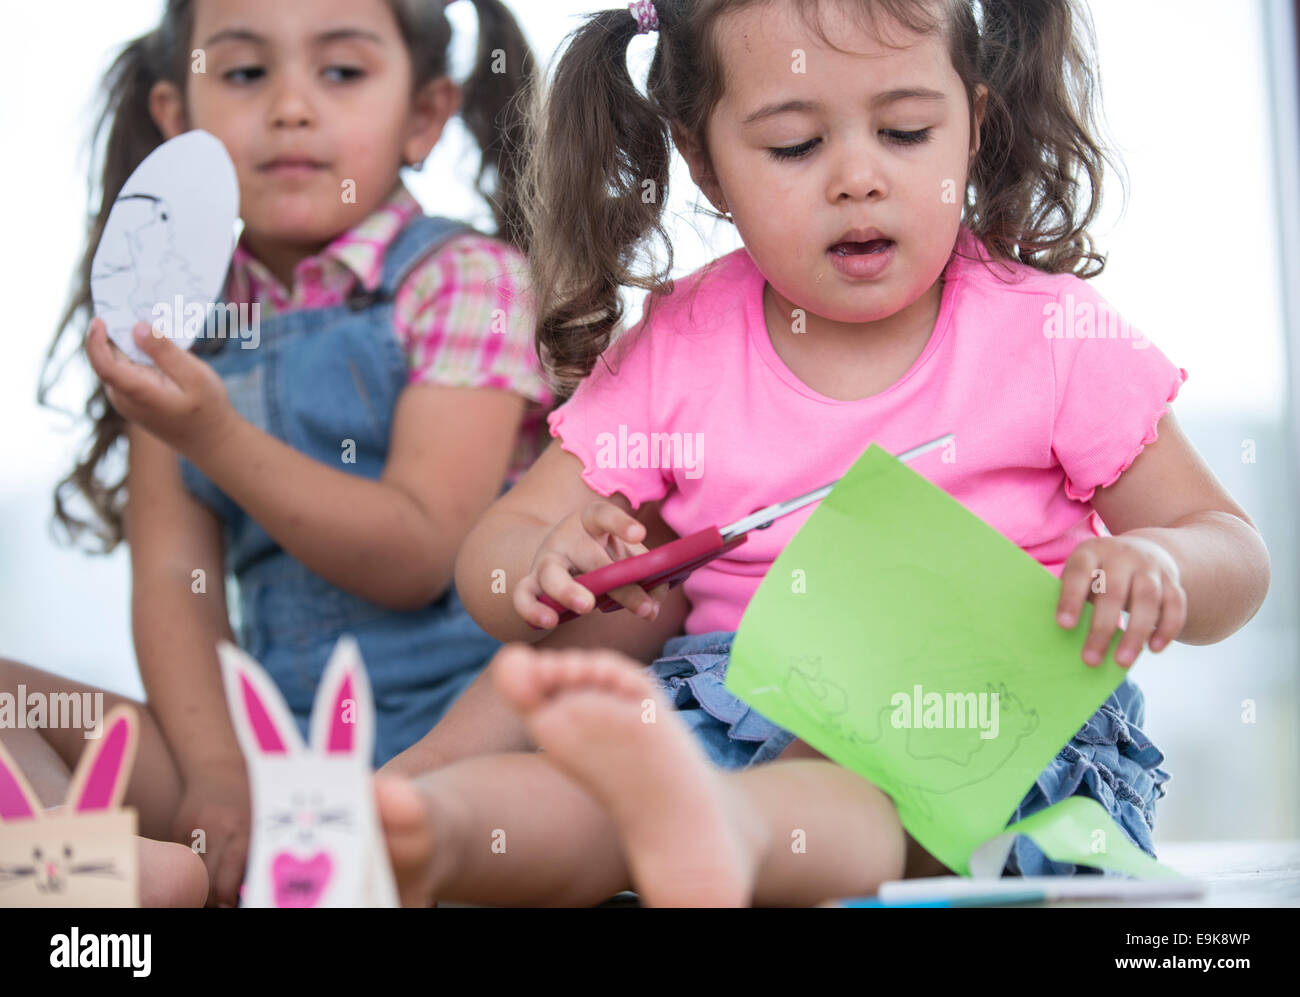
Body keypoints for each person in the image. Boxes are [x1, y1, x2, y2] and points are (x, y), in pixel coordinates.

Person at [372, 0, 1270, 906]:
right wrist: (539, 557)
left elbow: (1232, 549)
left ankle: (735, 826)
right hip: (729, 706)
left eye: (907, 131)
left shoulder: (1053, 334)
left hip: (979, 726)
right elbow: (499, 555)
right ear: (704, 163)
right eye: (796, 146)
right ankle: (426, 833)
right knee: (594, 778)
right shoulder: (683, 341)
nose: (857, 177)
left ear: (974, 125)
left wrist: (1160, 561)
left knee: (859, 780)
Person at [8, 0, 548, 907]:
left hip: (454, 742)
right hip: (259, 751)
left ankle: (84, 881)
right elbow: (173, 587)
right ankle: (115, 882)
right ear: (178, 120)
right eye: (247, 72)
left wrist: (212, 433)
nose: (292, 107)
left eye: (341, 72)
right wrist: (218, 773)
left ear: (423, 116)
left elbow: (416, 552)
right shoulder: (173, 319)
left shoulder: (468, 280)